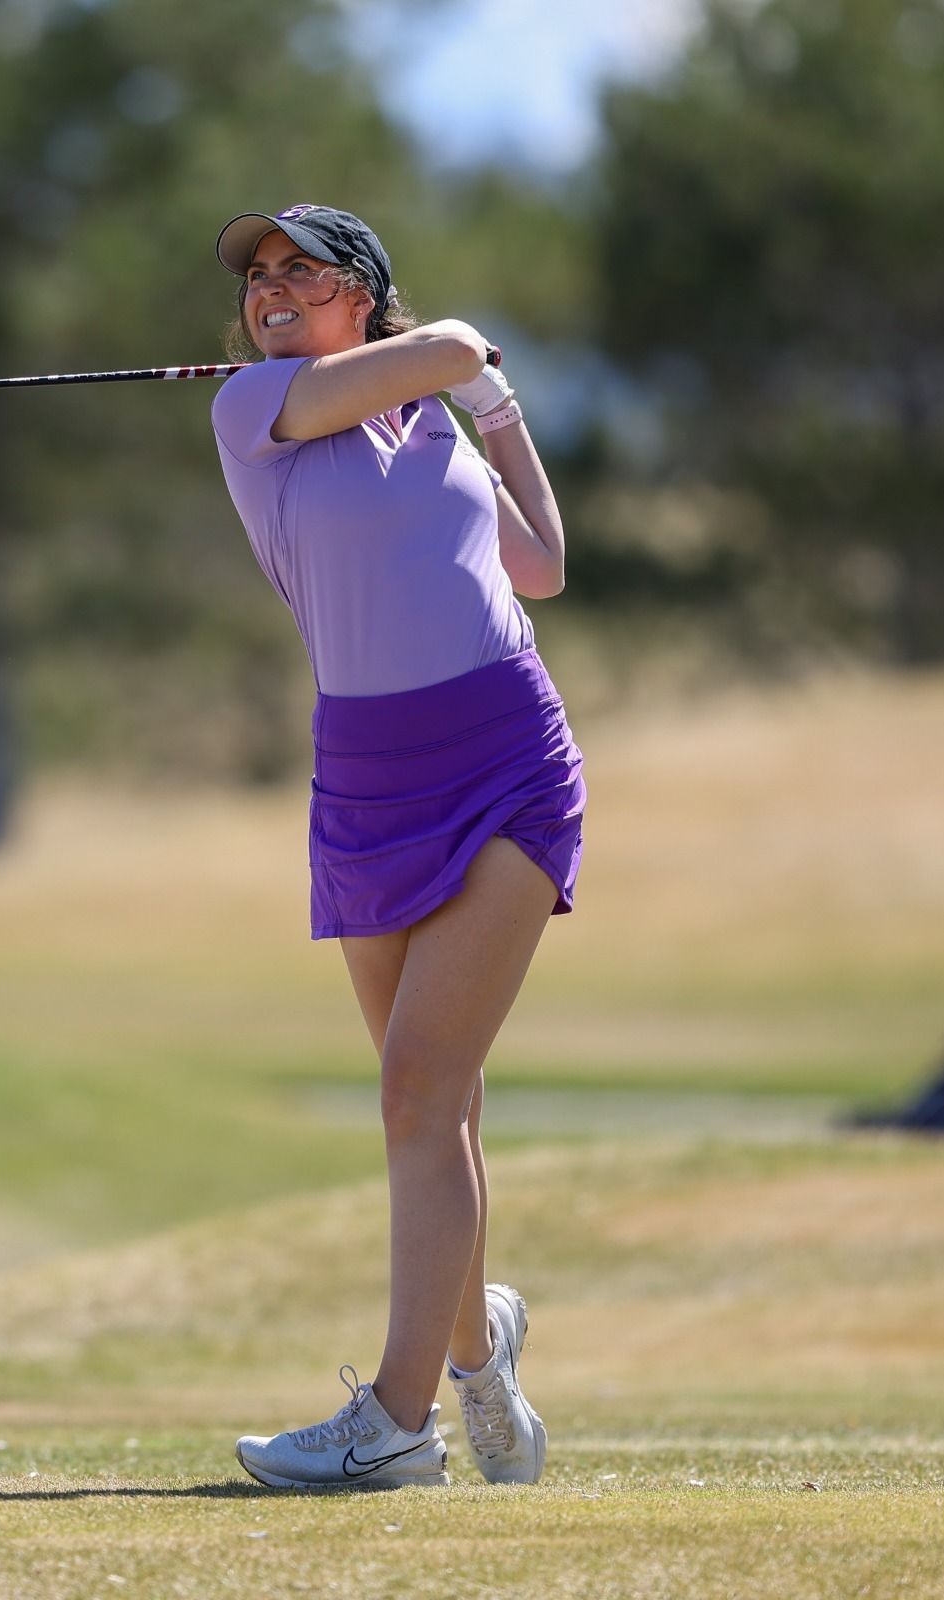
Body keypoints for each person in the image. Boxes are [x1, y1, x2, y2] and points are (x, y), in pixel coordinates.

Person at [209, 204, 583, 1491]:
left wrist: (495, 414)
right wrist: (463, 360)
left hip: (507, 761)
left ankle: (395, 1423)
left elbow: (541, 565)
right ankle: (478, 1347)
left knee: (418, 1090)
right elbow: (455, 342)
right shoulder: (251, 409)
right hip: (367, 785)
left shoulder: (432, 421)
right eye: (257, 276)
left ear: (361, 295)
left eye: (301, 271)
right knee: (438, 1106)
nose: (269, 288)